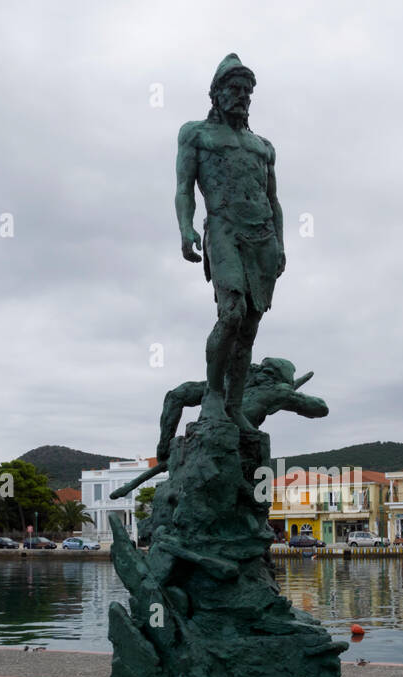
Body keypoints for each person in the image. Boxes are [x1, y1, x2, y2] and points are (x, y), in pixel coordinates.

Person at [175, 54, 285, 431]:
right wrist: (186, 228)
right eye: (234, 89)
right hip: (224, 230)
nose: (241, 96)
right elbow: (183, 189)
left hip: (263, 236)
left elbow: (274, 201)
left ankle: (235, 404)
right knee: (232, 313)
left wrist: (282, 244)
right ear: (216, 93)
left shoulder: (263, 146)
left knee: (250, 326)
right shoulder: (196, 134)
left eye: (247, 91)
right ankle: (213, 395)